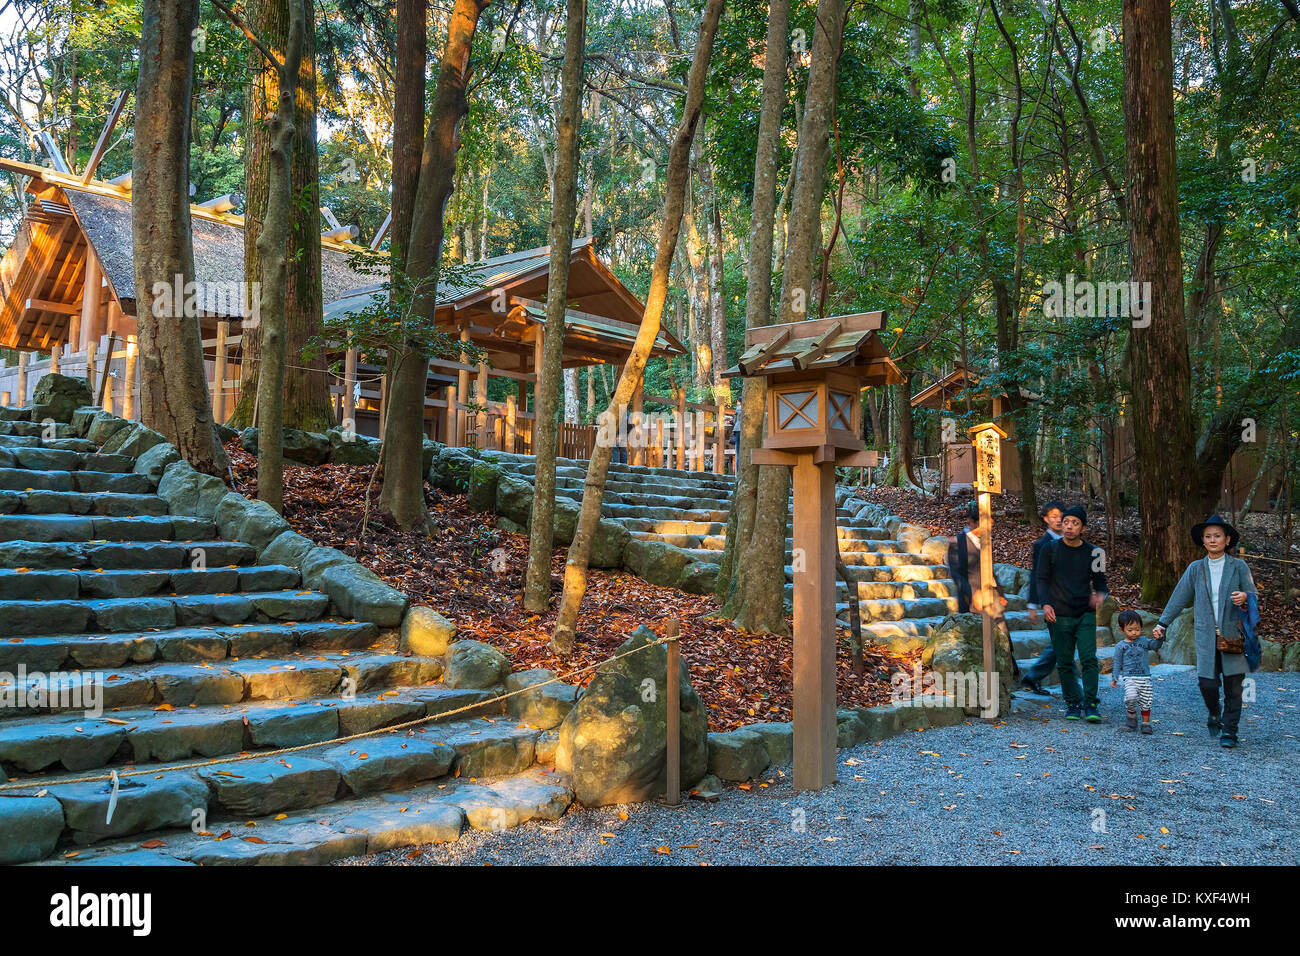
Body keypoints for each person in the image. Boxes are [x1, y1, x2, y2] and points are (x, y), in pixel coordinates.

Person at [1153, 514, 1257, 748]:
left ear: (1227, 540)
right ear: (1203, 540)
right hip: (1205, 636)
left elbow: (1254, 596)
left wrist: (1245, 597)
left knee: (1233, 686)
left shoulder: (1238, 566)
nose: (1212, 540)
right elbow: (1179, 598)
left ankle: (1229, 731)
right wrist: (1162, 623)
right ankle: (1214, 712)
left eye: (1217, 536)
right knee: (1207, 684)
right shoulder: (1196, 568)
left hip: (1233, 635)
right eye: (1208, 536)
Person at [1035, 504, 1109, 721]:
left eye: (1075, 523)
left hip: (1085, 613)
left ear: (1083, 528)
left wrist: (1100, 595)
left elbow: (1101, 582)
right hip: (1058, 614)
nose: (1068, 526)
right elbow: (1041, 579)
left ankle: (1091, 703)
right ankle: (1073, 703)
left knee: (1088, 659)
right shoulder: (1049, 549)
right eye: (1066, 522)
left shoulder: (1096, 553)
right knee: (1065, 661)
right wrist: (1045, 604)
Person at [1020, 500, 1064, 696]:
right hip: (1052, 602)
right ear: (1046, 519)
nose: (1058, 520)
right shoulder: (1041, 544)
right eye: (1054, 516)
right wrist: (1032, 604)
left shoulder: (1071, 540)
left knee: (1062, 643)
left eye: (1061, 516)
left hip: (1072, 600)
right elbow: (1036, 574)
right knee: (1060, 642)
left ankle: (1034, 676)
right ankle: (1035, 675)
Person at [1110, 609, 1165, 734]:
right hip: (1129, 677)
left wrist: (1159, 639)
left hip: (1145, 677)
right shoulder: (1120, 646)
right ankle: (1132, 716)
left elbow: (1155, 645)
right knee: (1130, 698)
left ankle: (1146, 723)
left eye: (1137, 629)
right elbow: (1117, 662)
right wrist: (1115, 677)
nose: (1134, 633)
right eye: (1130, 630)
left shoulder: (1144, 641)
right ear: (1122, 630)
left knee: (1146, 701)